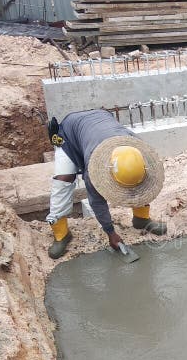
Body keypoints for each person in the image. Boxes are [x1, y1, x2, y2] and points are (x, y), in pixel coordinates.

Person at [45, 109, 166, 259]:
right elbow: (96, 202)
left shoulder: (138, 150)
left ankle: (141, 219)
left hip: (101, 119)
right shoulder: (94, 167)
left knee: (140, 180)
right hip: (70, 134)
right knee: (63, 180)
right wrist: (110, 232)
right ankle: (61, 234)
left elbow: (144, 184)